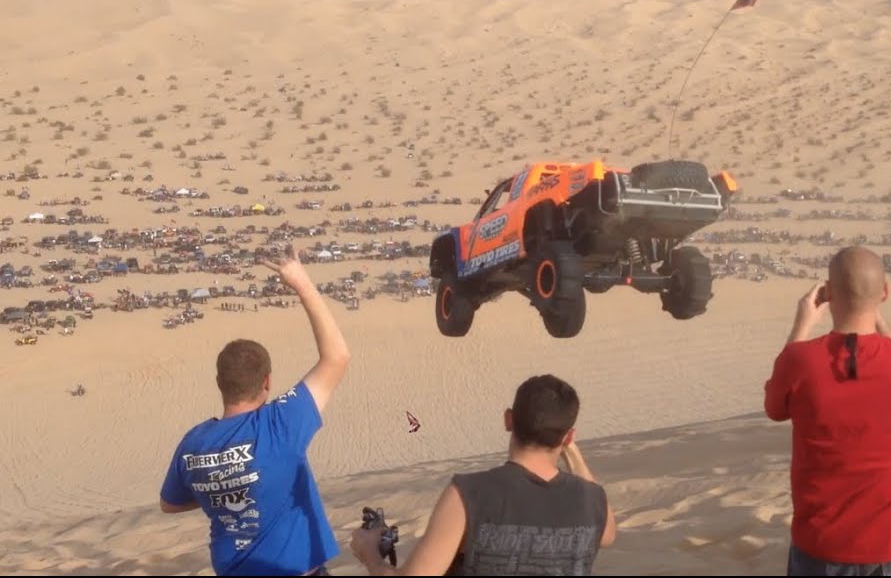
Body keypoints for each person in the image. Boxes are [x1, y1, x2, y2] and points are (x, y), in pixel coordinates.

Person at [159, 245, 352, 576]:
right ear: (267, 382)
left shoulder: (193, 443)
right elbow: (337, 356)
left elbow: (169, 504)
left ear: (219, 382)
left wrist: (221, 487)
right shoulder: (278, 424)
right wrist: (303, 285)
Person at [764, 245, 891, 576]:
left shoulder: (799, 361)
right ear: (885, 292)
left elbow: (775, 407)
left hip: (821, 546)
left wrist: (801, 326)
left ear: (828, 294)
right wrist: (873, 312)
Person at [348, 374, 617, 576]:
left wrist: (370, 554)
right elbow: (607, 535)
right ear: (569, 435)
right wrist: (570, 450)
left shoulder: (470, 493)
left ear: (508, 420)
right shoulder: (593, 499)